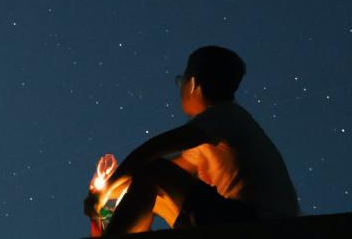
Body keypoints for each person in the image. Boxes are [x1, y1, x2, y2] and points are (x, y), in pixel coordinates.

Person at [84, 45, 300, 235]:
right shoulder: (217, 132)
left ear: (194, 83)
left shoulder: (224, 115)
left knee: (153, 170)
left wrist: (106, 190)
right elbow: (153, 178)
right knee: (150, 185)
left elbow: (153, 152)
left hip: (256, 222)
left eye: (181, 81)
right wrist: (103, 187)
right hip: (242, 218)